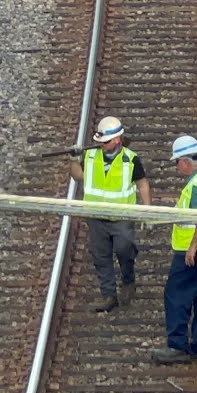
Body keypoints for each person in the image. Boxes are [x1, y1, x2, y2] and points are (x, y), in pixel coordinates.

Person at [151, 135, 197, 364]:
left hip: (196, 250)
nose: (177, 167)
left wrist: (192, 246)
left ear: (185, 161)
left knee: (176, 295)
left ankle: (177, 346)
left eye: (177, 162)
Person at [68, 116, 151, 312]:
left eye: (105, 142)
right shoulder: (90, 156)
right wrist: (73, 160)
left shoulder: (130, 159)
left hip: (121, 217)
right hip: (96, 217)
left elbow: (142, 184)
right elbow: (77, 175)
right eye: (100, 141)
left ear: (117, 140)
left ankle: (128, 280)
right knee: (101, 256)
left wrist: (148, 212)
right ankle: (109, 295)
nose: (101, 145)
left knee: (124, 249)